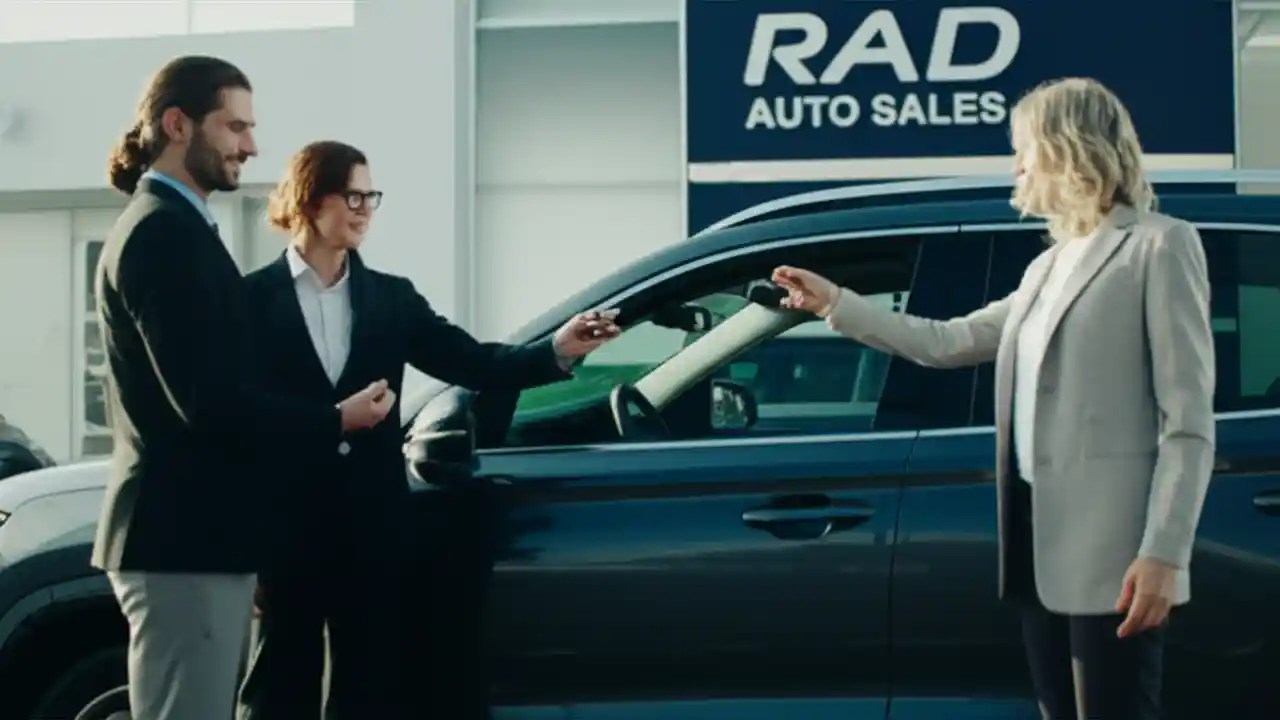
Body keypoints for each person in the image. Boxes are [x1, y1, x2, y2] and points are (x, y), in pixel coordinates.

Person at [772, 77, 1214, 720]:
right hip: (1038, 545)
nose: (1018, 165)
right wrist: (836, 303)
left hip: (1117, 554)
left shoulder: (1158, 245)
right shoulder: (1050, 265)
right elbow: (946, 342)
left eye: (1025, 147)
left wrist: (1164, 554)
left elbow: (1189, 422)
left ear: (1068, 147)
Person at [234, 140, 619, 719]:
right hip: (285, 529)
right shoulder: (250, 300)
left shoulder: (391, 299)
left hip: (372, 527)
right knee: (277, 687)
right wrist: (249, 545)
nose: (365, 208)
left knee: (365, 688)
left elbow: (475, 362)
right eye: (353, 195)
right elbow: (241, 423)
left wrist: (556, 351)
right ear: (311, 200)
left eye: (372, 196)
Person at [94, 57, 397, 720]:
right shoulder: (162, 235)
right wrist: (333, 420)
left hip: (198, 545)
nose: (251, 146)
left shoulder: (177, 228)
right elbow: (209, 402)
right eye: (236, 127)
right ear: (178, 124)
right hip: (182, 545)